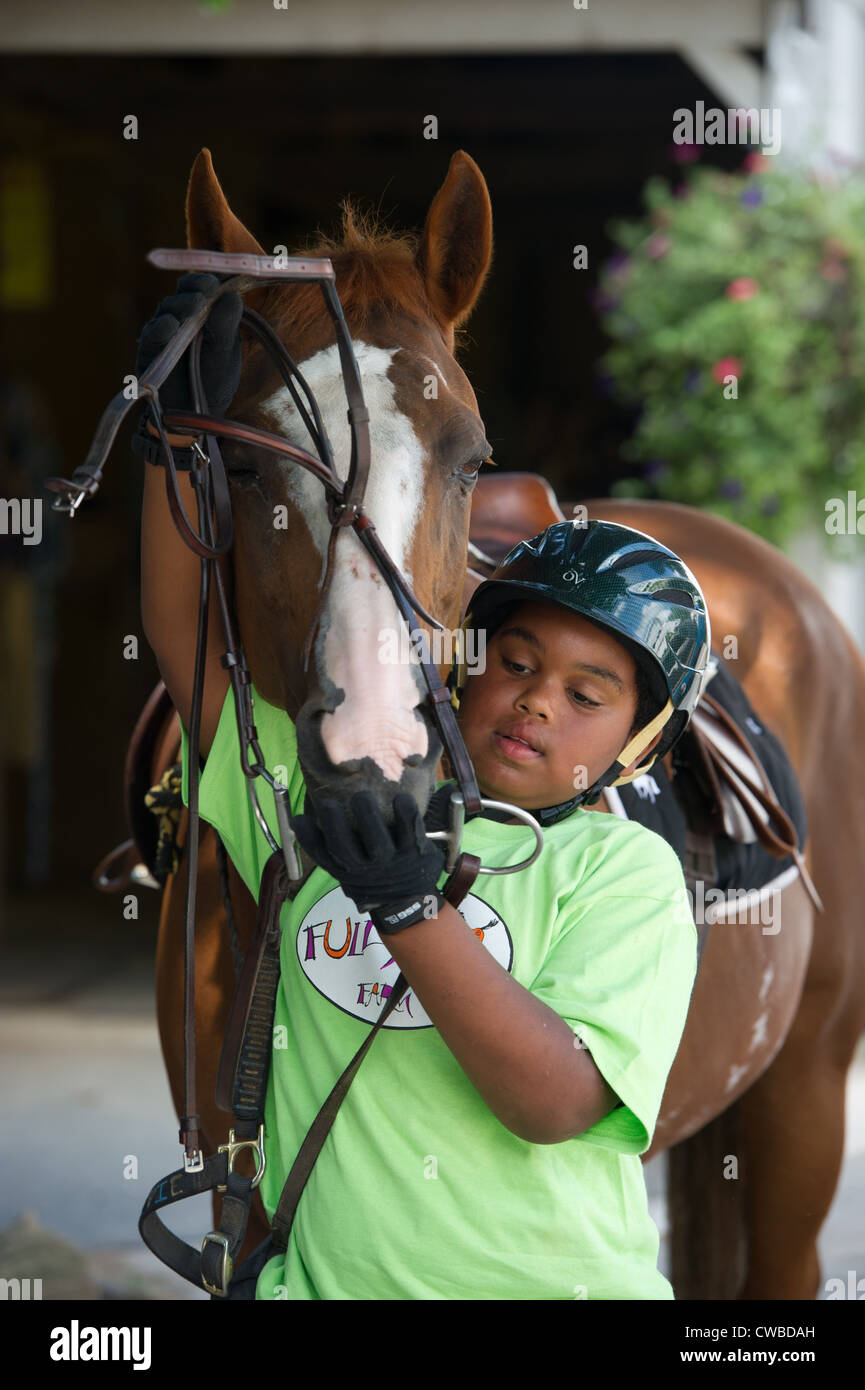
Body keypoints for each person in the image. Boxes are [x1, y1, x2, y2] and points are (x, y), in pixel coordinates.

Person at [139, 277, 710, 1301]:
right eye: (517, 661)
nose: (537, 702)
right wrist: (174, 436)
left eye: (587, 694)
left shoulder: (625, 872)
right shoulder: (303, 797)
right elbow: (183, 632)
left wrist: (407, 903)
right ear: (455, 658)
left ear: (638, 745)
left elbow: (553, 1100)